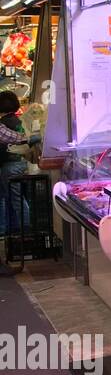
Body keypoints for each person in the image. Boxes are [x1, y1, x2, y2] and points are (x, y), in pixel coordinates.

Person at [1, 91, 28, 269]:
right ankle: (21, 230)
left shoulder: (3, 123)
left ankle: (22, 231)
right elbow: (22, 138)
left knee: (11, 199)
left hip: (9, 166)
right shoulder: (19, 121)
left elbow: (12, 138)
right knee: (15, 198)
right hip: (19, 164)